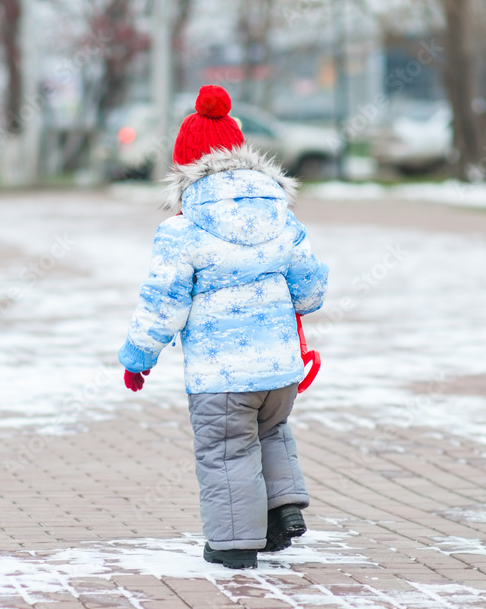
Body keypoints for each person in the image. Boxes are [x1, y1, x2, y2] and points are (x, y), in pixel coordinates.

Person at [118, 84, 329, 569]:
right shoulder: (280, 211)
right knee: (271, 430)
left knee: (228, 450)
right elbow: (311, 291)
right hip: (281, 370)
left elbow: (163, 303)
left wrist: (138, 357)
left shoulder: (182, 227)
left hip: (222, 377)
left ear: (184, 165)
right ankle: (284, 508)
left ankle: (234, 546)